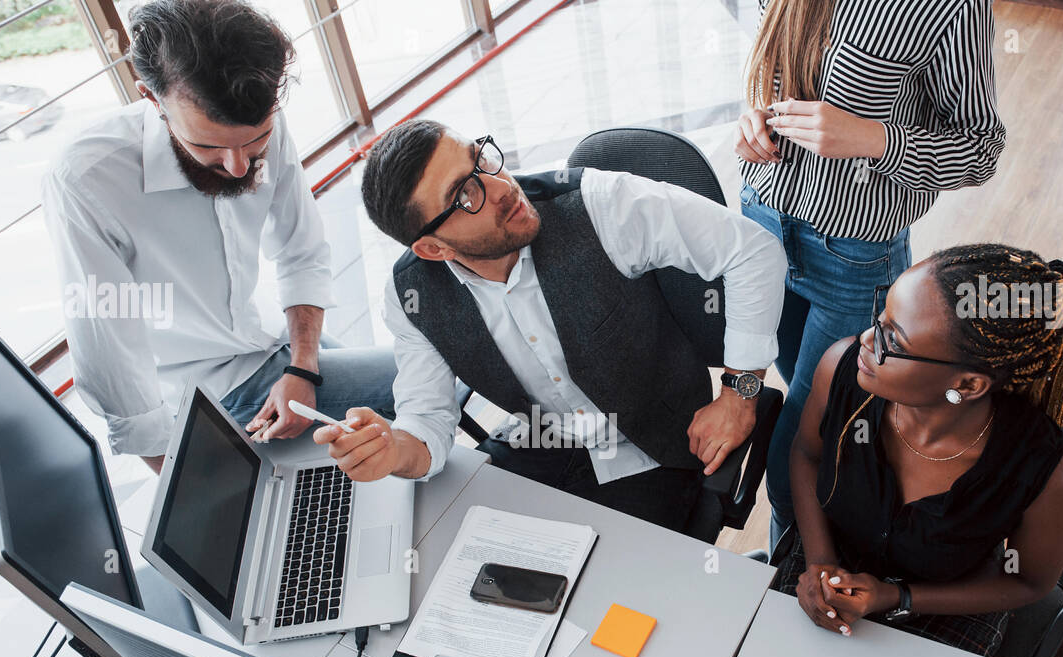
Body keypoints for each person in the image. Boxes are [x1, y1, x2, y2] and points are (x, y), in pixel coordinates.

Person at [313, 119, 786, 533]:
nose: (501, 187)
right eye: (465, 194)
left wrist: (741, 391)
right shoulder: (411, 295)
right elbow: (428, 420)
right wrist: (394, 450)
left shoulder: (599, 205)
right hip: (540, 445)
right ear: (434, 249)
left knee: (611, 616)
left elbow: (752, 251)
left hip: (659, 445)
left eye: (482, 161)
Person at [42, 0, 395, 472]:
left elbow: (301, 249)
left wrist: (302, 366)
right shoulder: (88, 178)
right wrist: (186, 486)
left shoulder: (259, 116)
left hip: (267, 342)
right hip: (208, 390)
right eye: (210, 146)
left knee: (399, 405)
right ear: (151, 97)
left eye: (255, 144)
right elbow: (108, 350)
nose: (238, 166)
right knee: (434, 373)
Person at [734, 0, 1007, 549]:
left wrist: (874, 140)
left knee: (797, 450)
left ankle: (786, 570)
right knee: (807, 397)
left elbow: (981, 151)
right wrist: (753, 122)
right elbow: (773, 75)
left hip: (853, 257)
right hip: (761, 221)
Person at [775, 244, 1063, 657]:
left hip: (949, 601)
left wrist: (896, 596)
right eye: (881, 317)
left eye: (894, 340)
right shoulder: (841, 369)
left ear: (967, 386)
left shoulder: (1047, 470)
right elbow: (807, 455)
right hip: (831, 559)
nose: (867, 339)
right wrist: (819, 562)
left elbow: (1028, 581)